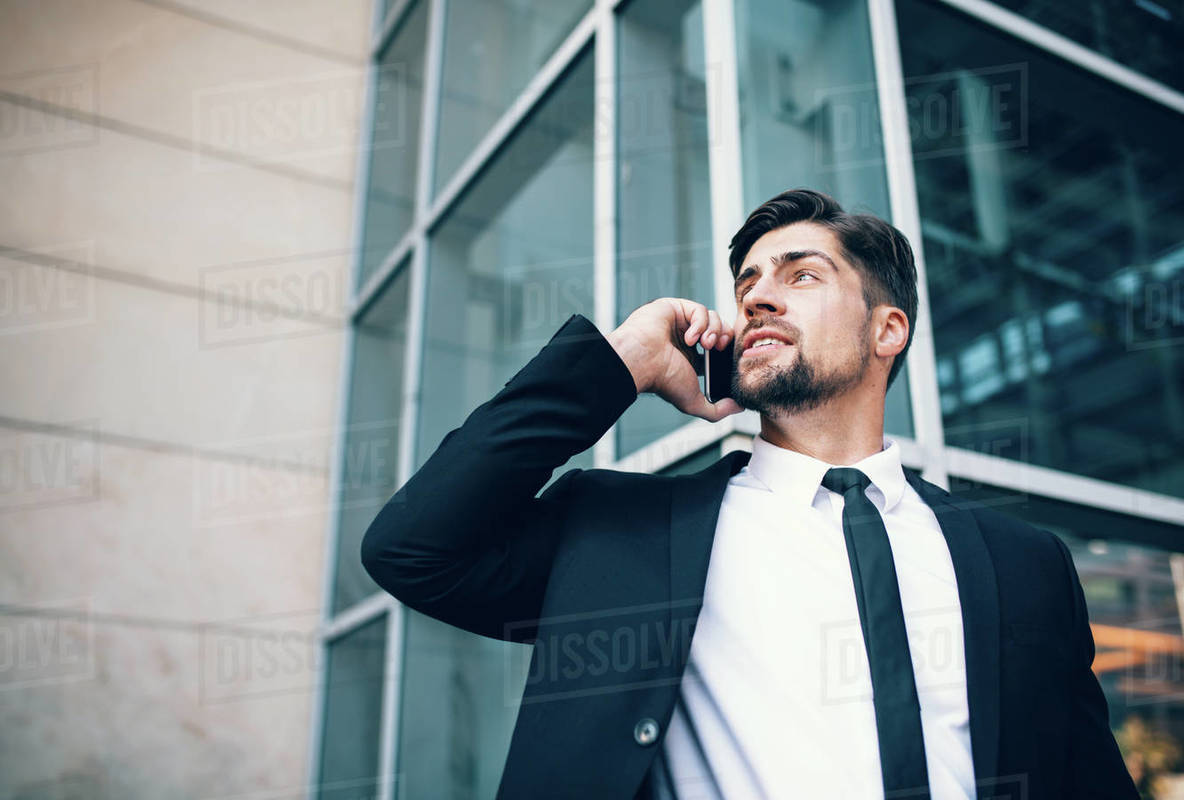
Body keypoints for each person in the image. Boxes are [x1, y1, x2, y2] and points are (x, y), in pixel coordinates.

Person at [360, 188, 1139, 800]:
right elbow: (413, 547)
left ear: (887, 330)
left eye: (801, 275)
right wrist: (619, 362)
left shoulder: (1025, 564)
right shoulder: (621, 538)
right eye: (749, 284)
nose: (759, 298)